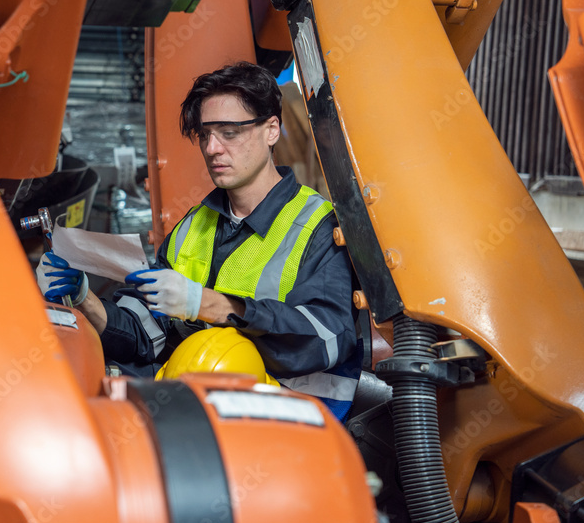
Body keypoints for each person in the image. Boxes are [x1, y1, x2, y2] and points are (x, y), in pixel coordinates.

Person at [37, 62, 360, 420]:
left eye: (229, 133)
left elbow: (328, 338)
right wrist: (86, 298)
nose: (212, 148)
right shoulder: (193, 227)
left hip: (293, 423)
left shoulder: (318, 225)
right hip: (197, 417)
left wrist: (209, 305)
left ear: (271, 131)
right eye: (205, 134)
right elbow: (147, 335)